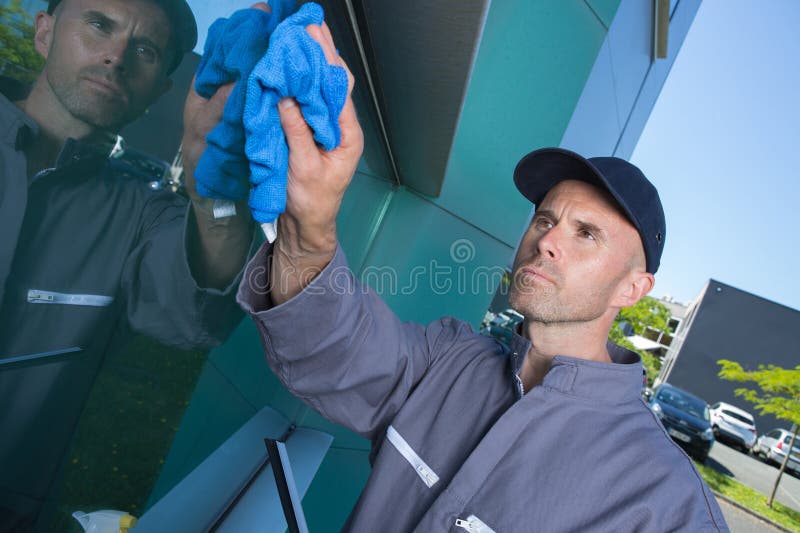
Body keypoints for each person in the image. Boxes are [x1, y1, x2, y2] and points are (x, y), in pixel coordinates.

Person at [236, 26, 730, 533]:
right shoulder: (449, 358)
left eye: (586, 233)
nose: (547, 240)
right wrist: (309, 226)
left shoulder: (667, 504)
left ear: (633, 289)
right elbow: (330, 348)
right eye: (545, 220)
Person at [0, 0, 259, 529]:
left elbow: (193, 316)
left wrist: (219, 190)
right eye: (99, 25)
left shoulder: (143, 216)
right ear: (44, 33)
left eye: (144, 50)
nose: (116, 58)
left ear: (161, 90)